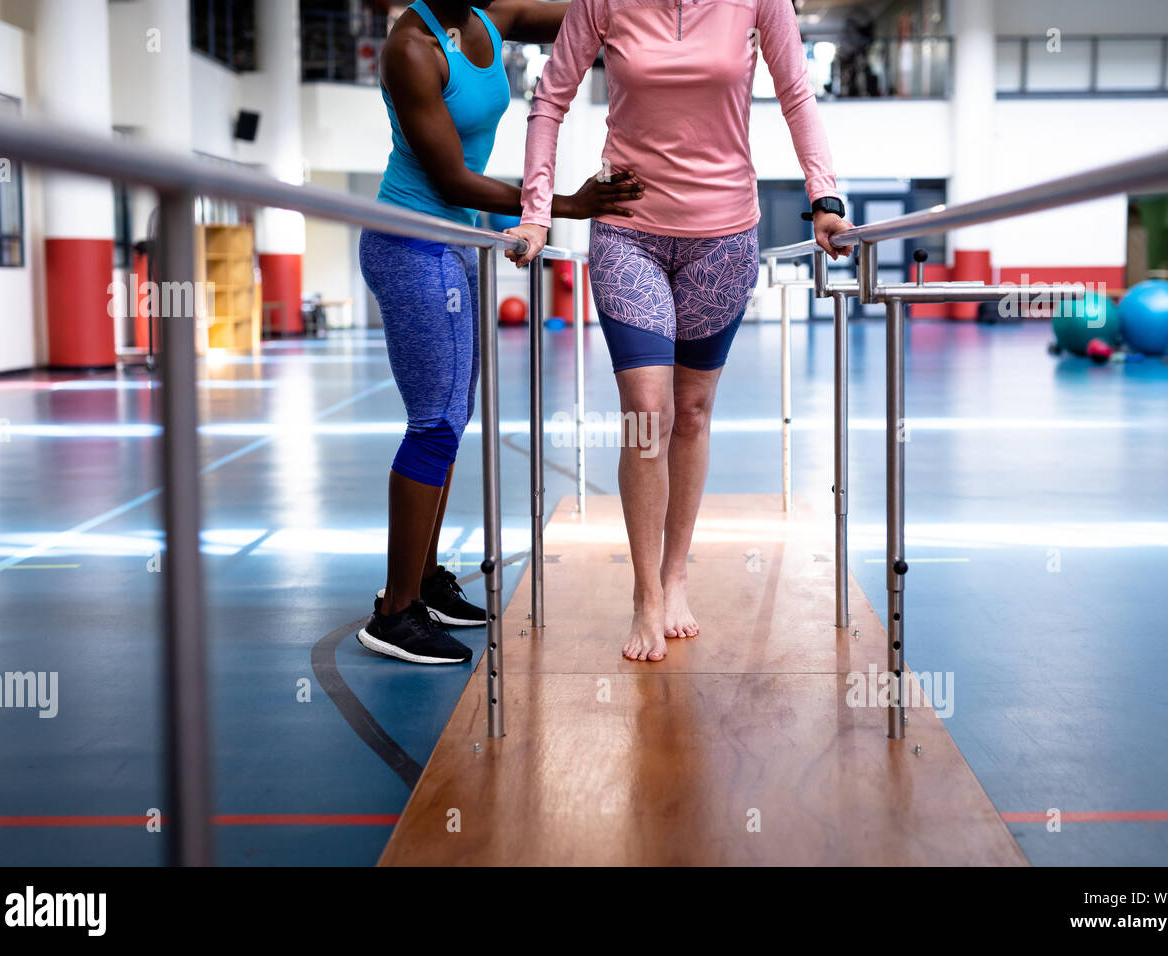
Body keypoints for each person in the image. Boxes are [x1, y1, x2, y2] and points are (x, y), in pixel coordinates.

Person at [506, 0, 853, 662]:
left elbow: (797, 95)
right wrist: (538, 214)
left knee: (690, 413)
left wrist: (824, 198)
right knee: (646, 411)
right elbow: (548, 100)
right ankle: (642, 594)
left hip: (723, 237)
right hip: (628, 230)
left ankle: (675, 575)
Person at [358, 0, 644, 665]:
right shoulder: (412, 48)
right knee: (433, 421)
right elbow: (451, 176)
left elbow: (593, 16)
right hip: (410, 241)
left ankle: (424, 582)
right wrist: (565, 205)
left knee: (452, 416)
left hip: (457, 239)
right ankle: (395, 611)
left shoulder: (496, 16)